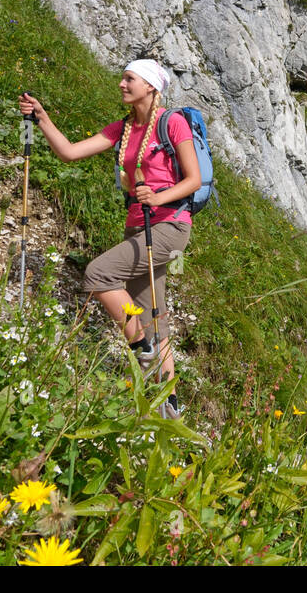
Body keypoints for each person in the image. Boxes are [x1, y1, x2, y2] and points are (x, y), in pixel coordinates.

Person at [19, 59, 201, 418]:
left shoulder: (172, 123)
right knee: (154, 317)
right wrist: (41, 118)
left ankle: (142, 349)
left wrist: (158, 197)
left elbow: (193, 179)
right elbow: (69, 152)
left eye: (129, 79)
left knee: (99, 275)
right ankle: (170, 406)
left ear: (150, 85)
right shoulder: (121, 128)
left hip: (171, 225)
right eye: (122, 78)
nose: (121, 84)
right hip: (138, 227)